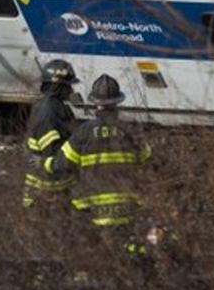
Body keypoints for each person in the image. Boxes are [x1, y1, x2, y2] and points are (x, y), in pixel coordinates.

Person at [41, 74, 151, 228]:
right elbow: (150, 164)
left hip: (90, 211)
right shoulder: (130, 132)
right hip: (128, 210)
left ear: (95, 104)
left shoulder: (83, 132)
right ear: (118, 103)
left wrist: (43, 163)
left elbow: (63, 164)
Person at [22, 59, 80, 208]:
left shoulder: (52, 106)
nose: (71, 91)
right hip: (48, 192)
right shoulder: (49, 111)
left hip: (51, 188)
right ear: (58, 87)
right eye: (68, 86)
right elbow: (51, 151)